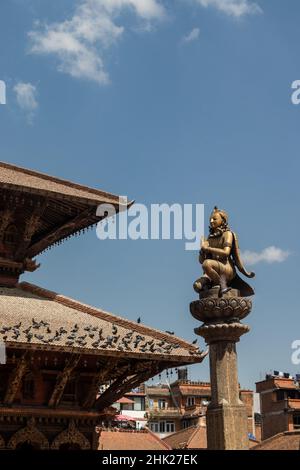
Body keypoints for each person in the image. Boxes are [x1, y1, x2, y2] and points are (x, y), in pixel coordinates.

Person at [193, 206, 255, 297]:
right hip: (212, 271)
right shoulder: (210, 238)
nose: (211, 221)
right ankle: (213, 285)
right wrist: (202, 250)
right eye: (210, 219)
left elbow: (226, 253)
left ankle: (222, 286)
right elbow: (201, 261)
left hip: (226, 268)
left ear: (223, 220)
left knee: (207, 264)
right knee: (197, 286)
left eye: (214, 219)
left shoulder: (227, 234)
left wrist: (208, 249)